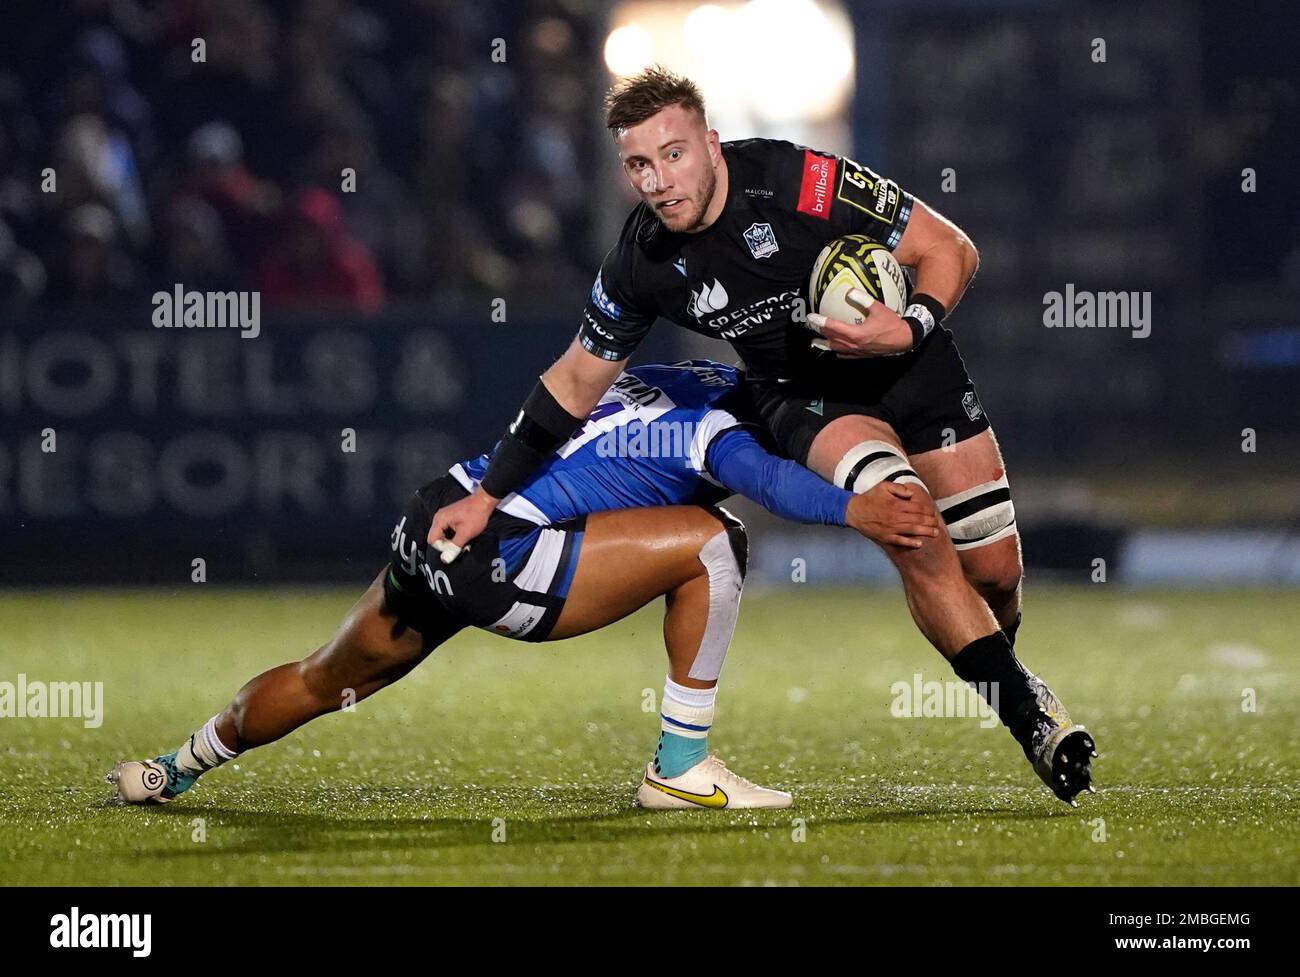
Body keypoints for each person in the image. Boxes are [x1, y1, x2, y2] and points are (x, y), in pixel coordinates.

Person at [426, 67, 1097, 805]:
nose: (659, 180)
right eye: (640, 164)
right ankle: (1033, 718)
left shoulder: (797, 179)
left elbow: (951, 249)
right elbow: (575, 383)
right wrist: (490, 493)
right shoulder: (640, 261)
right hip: (801, 394)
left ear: (711, 145)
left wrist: (905, 327)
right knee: (913, 527)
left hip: (910, 363)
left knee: (995, 572)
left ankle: (1003, 672)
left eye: (674, 154)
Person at [108, 360, 936, 810]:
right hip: (499, 548)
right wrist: (855, 508)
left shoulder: (674, 373)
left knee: (328, 675)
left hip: (443, 507)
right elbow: (768, 480)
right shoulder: (723, 426)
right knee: (717, 543)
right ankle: (681, 768)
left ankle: (173, 766)